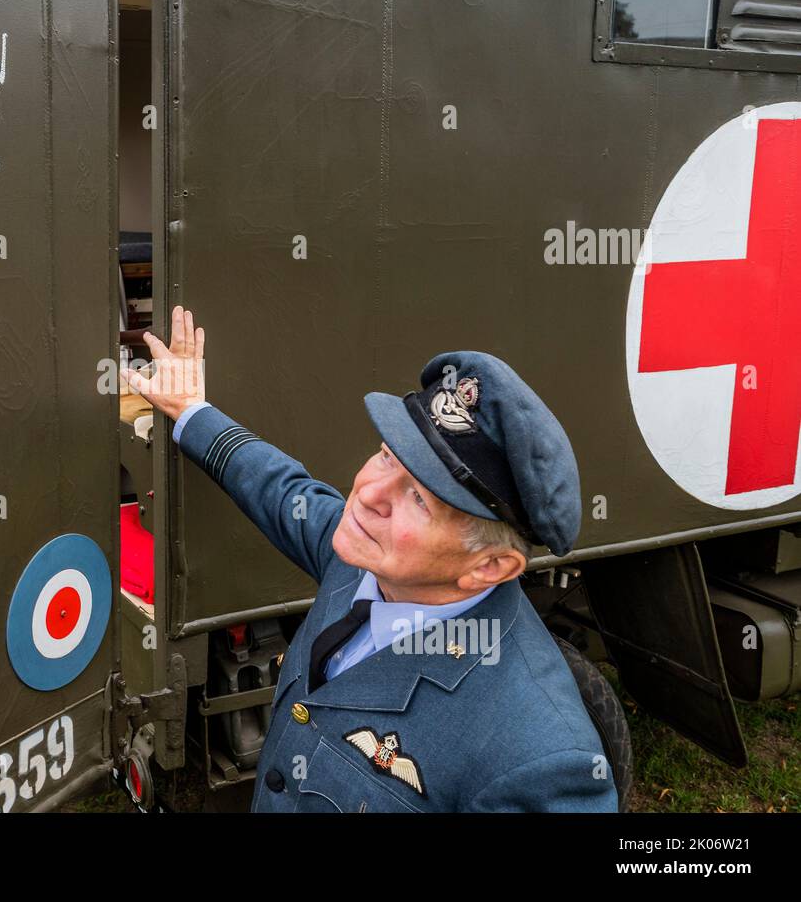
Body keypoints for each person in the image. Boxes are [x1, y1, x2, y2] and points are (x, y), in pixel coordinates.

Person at [121, 305, 618, 812]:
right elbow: (279, 489)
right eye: (385, 455)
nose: (368, 493)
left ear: (488, 567)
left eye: (421, 499)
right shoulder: (367, 559)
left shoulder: (541, 759)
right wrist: (191, 410)